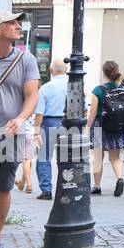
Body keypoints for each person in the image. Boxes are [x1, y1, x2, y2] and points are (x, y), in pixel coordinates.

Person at [0, 10, 40, 248]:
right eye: (11, 22)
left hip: (10, 134)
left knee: (2, 188)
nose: (17, 25)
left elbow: (32, 95)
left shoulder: (26, 60)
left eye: (18, 22)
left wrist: (22, 118)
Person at [86, 61, 124, 197]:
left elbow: (93, 111)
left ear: (104, 73)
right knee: (115, 157)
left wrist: (87, 127)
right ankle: (120, 178)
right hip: (117, 126)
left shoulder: (98, 90)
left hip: (100, 126)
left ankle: (97, 186)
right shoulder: (122, 89)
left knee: (98, 157)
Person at [33, 59, 68, 199]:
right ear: (65, 70)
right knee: (66, 158)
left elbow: (39, 112)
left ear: (50, 70)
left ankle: (46, 190)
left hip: (49, 123)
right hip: (68, 124)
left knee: (44, 157)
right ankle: (66, 187)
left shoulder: (46, 88)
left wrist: (36, 132)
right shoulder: (74, 86)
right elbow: (82, 109)